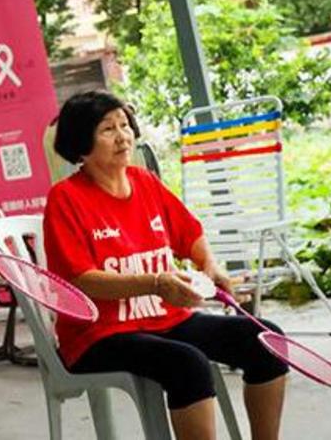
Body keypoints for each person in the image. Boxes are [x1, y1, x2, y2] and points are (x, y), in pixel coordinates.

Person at [44, 90, 288, 440]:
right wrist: (157, 283)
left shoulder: (146, 183)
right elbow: (82, 280)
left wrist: (210, 266)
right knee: (187, 364)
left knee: (265, 338)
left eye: (124, 125)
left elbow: (189, 235)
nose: (122, 136)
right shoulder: (65, 198)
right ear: (82, 142)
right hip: (98, 335)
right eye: (107, 129)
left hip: (166, 319)